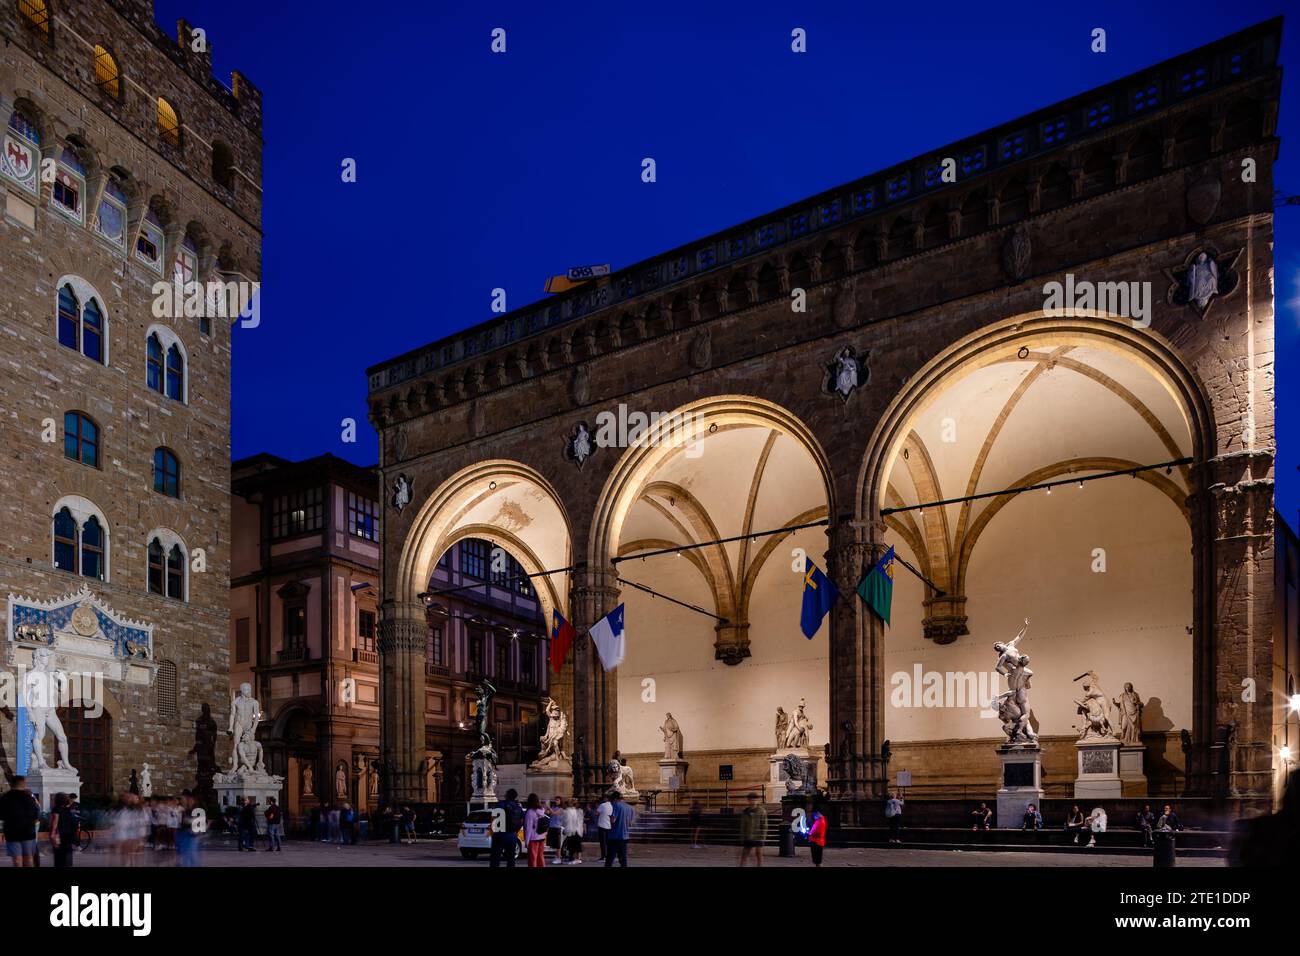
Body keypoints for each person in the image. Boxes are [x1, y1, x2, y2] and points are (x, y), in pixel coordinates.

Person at [1, 777, 41, 867]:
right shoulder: (29, 797)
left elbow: (1, 814)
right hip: (28, 832)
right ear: (23, 783)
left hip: (12, 832)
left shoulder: (5, 797)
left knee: (17, 859)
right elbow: (37, 813)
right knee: (28, 858)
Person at [491, 788, 524, 868]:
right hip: (512, 835)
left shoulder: (500, 804)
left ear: (507, 795)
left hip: (499, 833)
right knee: (511, 858)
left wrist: (494, 830)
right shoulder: (518, 807)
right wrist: (516, 830)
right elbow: (522, 820)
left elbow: (493, 818)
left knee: (495, 857)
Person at [603, 791, 634, 867]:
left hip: (614, 836)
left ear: (615, 799)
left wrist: (609, 817)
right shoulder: (630, 807)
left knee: (610, 858)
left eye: (611, 800)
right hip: (625, 836)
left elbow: (613, 820)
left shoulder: (616, 805)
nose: (611, 802)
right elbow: (631, 823)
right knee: (623, 858)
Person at [738, 792, 766, 867]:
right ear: (748, 800)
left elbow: (764, 825)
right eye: (751, 800)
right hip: (748, 836)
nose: (753, 801)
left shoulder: (761, 811)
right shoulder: (745, 812)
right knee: (744, 855)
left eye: (754, 800)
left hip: (758, 836)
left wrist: (763, 837)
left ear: (757, 801)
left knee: (759, 854)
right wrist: (742, 837)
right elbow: (743, 825)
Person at [524, 793, 548, 867]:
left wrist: (526, 842)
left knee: (532, 859)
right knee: (540, 857)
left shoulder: (530, 812)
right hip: (542, 837)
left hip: (533, 839)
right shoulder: (541, 811)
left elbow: (528, 828)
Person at [562, 798, 585, 864]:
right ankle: (573, 858)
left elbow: (565, 821)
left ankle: (574, 858)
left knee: (573, 845)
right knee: (573, 845)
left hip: (572, 829)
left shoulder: (568, 811)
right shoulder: (573, 810)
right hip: (574, 830)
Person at [595, 792, 614, 861]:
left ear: (606, 798)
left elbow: (597, 813)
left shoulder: (602, 805)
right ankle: (609, 856)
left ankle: (604, 856)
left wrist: (597, 808)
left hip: (602, 826)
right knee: (608, 842)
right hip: (609, 826)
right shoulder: (612, 805)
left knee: (603, 843)